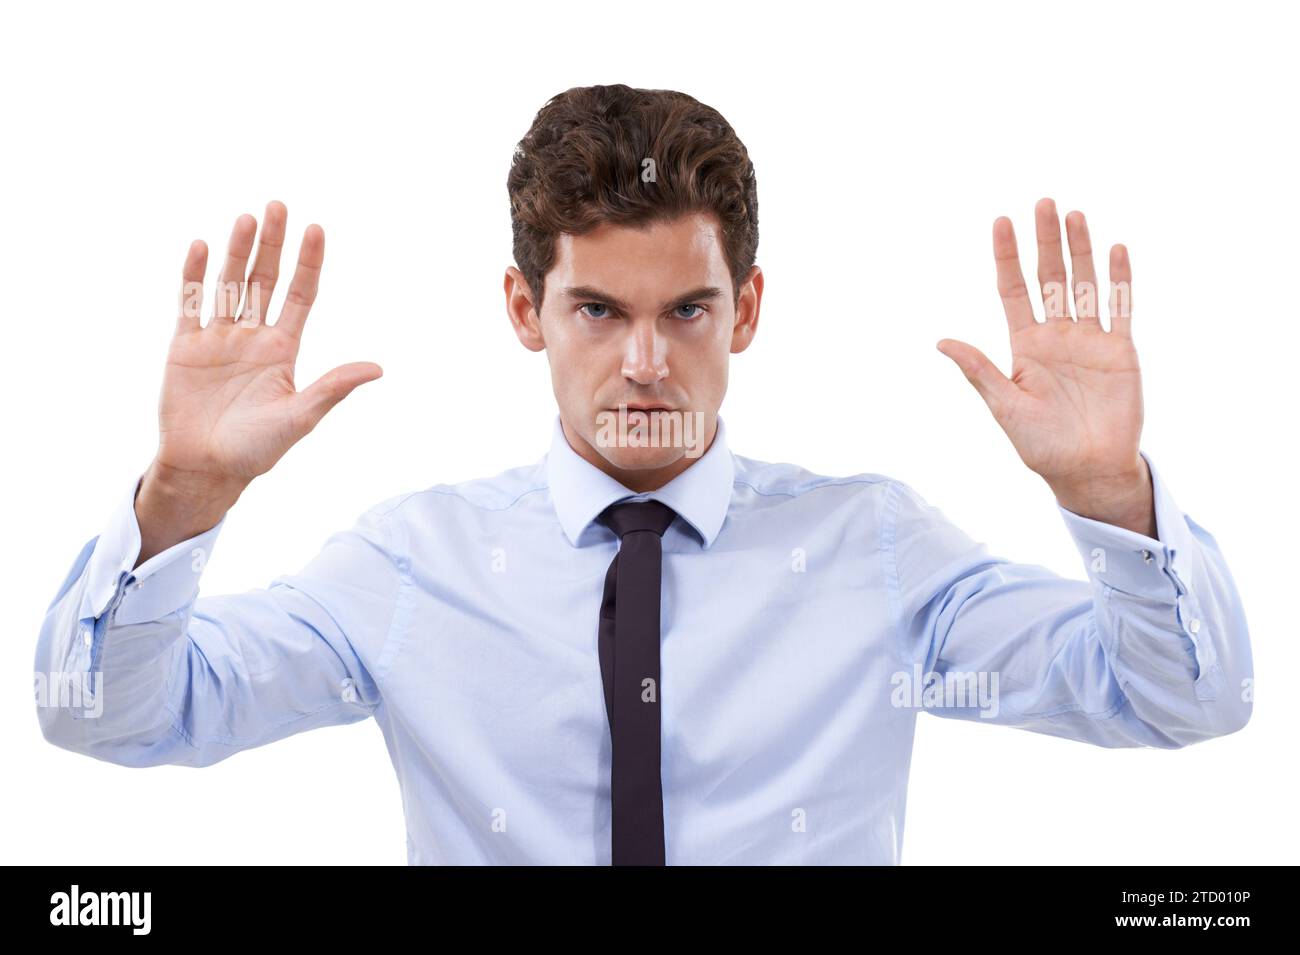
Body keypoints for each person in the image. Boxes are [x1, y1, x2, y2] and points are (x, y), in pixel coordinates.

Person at [34, 84, 1253, 865]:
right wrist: (180, 503)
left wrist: (1110, 498)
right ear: (525, 309)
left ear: (749, 308)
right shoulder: (412, 564)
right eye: (598, 311)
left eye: (687, 310)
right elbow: (111, 715)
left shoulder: (872, 548)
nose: (646, 363)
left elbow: (1182, 701)